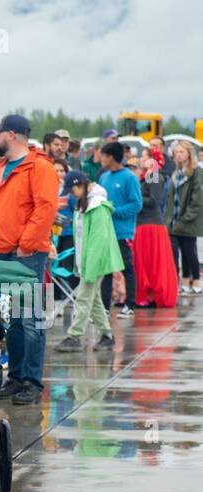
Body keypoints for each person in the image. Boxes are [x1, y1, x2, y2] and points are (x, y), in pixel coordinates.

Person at [0, 113, 58, 406]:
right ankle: (17, 377)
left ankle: (32, 382)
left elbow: (46, 208)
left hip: (26, 255)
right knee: (12, 320)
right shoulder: (1, 167)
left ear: (11, 135)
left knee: (31, 319)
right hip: (1, 252)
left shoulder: (39, 167)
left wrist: (27, 243)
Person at [54, 171, 122, 353]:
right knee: (94, 299)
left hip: (95, 262)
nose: (71, 194)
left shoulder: (97, 206)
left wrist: (89, 267)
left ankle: (75, 336)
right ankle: (107, 335)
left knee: (84, 297)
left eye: (73, 189)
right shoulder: (86, 204)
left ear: (82, 185)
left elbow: (98, 241)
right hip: (88, 261)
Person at [97, 141, 142, 318]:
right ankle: (105, 307)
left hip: (122, 232)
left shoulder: (129, 178)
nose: (101, 159)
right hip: (105, 231)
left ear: (112, 157)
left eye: (104, 156)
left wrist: (114, 211)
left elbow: (136, 204)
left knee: (126, 267)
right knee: (106, 270)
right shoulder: (103, 177)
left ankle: (130, 304)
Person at [132, 151, 177, 310]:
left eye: (144, 156)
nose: (141, 158)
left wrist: (135, 199)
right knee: (145, 262)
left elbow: (154, 201)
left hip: (150, 225)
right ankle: (147, 295)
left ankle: (150, 295)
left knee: (150, 263)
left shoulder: (154, 176)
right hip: (144, 225)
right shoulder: (146, 177)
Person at [166, 140, 203, 294]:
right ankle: (183, 281)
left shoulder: (196, 172)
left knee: (189, 252)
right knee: (176, 253)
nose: (179, 155)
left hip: (187, 220)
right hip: (172, 220)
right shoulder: (175, 172)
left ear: (188, 153)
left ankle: (195, 282)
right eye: (176, 152)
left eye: (182, 152)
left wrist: (186, 218)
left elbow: (197, 200)